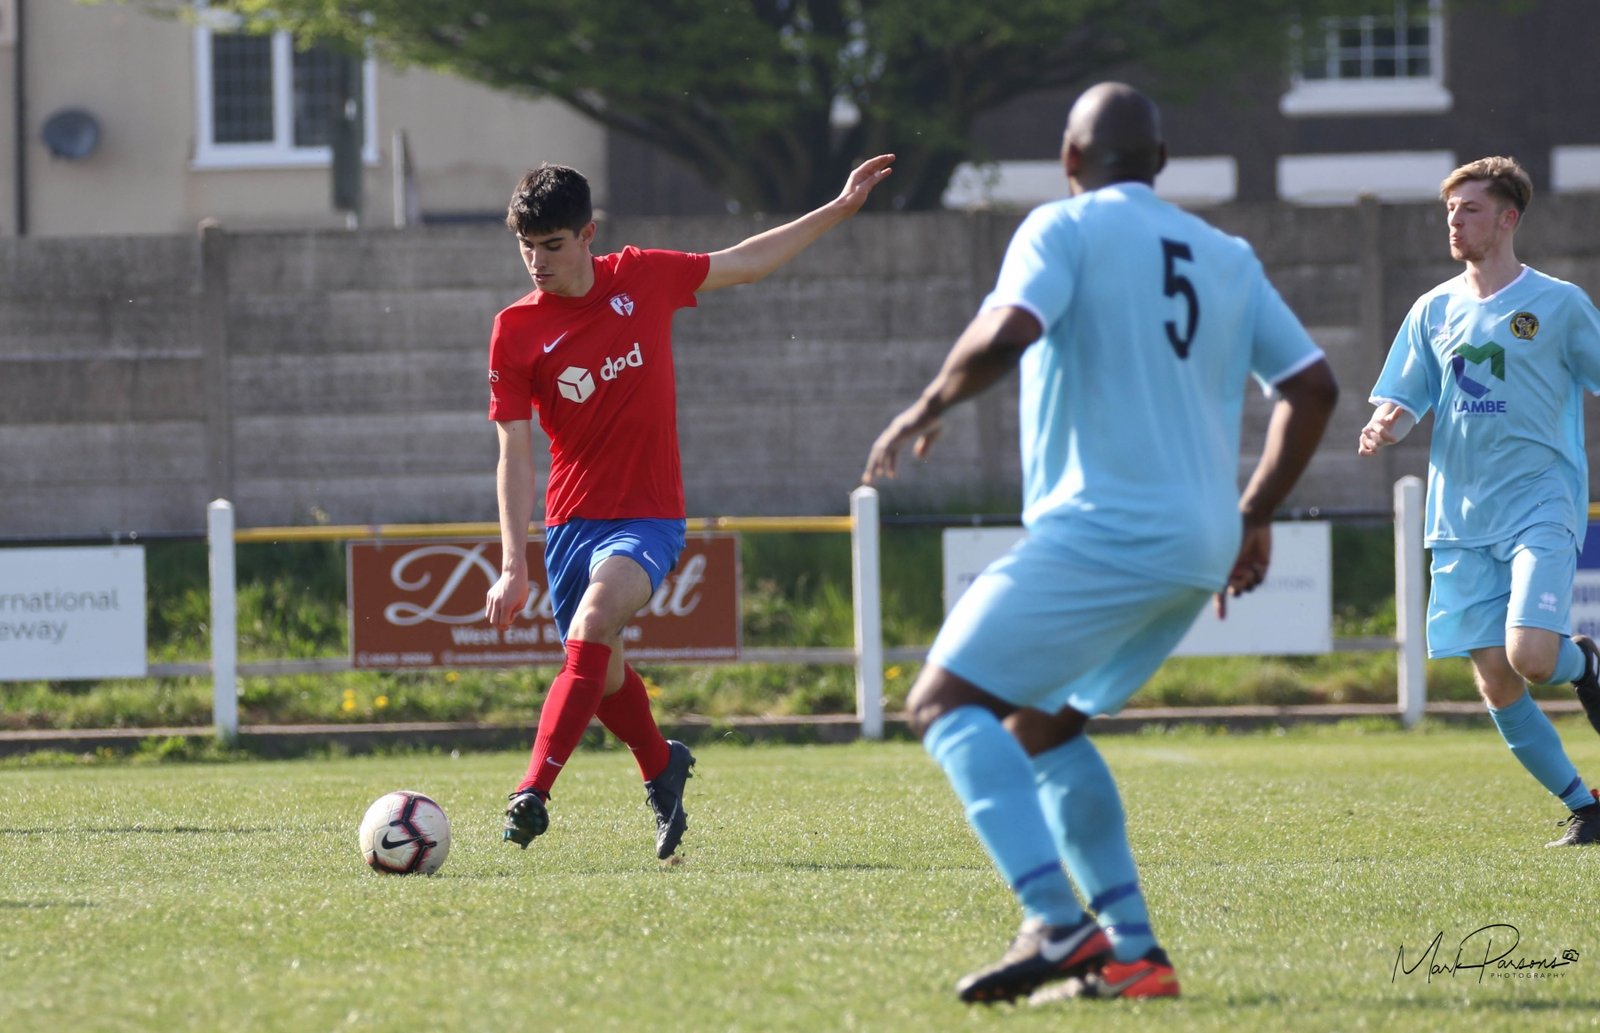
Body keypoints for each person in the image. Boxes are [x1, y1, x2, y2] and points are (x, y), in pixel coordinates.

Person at [862, 82, 1337, 1006]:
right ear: (1160, 164)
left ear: (1069, 161)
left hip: (1104, 528)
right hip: (1199, 543)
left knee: (943, 702)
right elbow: (1311, 387)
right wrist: (1254, 510)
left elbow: (1011, 328)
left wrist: (929, 404)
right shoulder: (1228, 254)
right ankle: (1135, 952)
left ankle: (1056, 919)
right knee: (1042, 725)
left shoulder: (1062, 227)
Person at [483, 153, 895, 860]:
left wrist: (836, 208)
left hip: (648, 515)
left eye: (552, 245)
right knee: (601, 670)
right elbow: (514, 453)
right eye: (527, 247)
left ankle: (534, 790)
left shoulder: (642, 276)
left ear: (588, 235)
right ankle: (661, 764)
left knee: (593, 619)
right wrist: (512, 564)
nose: (538, 261)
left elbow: (745, 261)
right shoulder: (515, 330)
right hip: (570, 525)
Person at [1358, 156, 1600, 848]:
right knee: (1496, 679)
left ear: (1507, 217)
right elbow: (1406, 397)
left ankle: (1584, 664)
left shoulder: (1557, 305)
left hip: (1540, 501)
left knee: (1530, 654)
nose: (1455, 222)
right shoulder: (1433, 309)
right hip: (1460, 517)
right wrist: (1387, 422)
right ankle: (1586, 804)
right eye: (1450, 211)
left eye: (1469, 209)